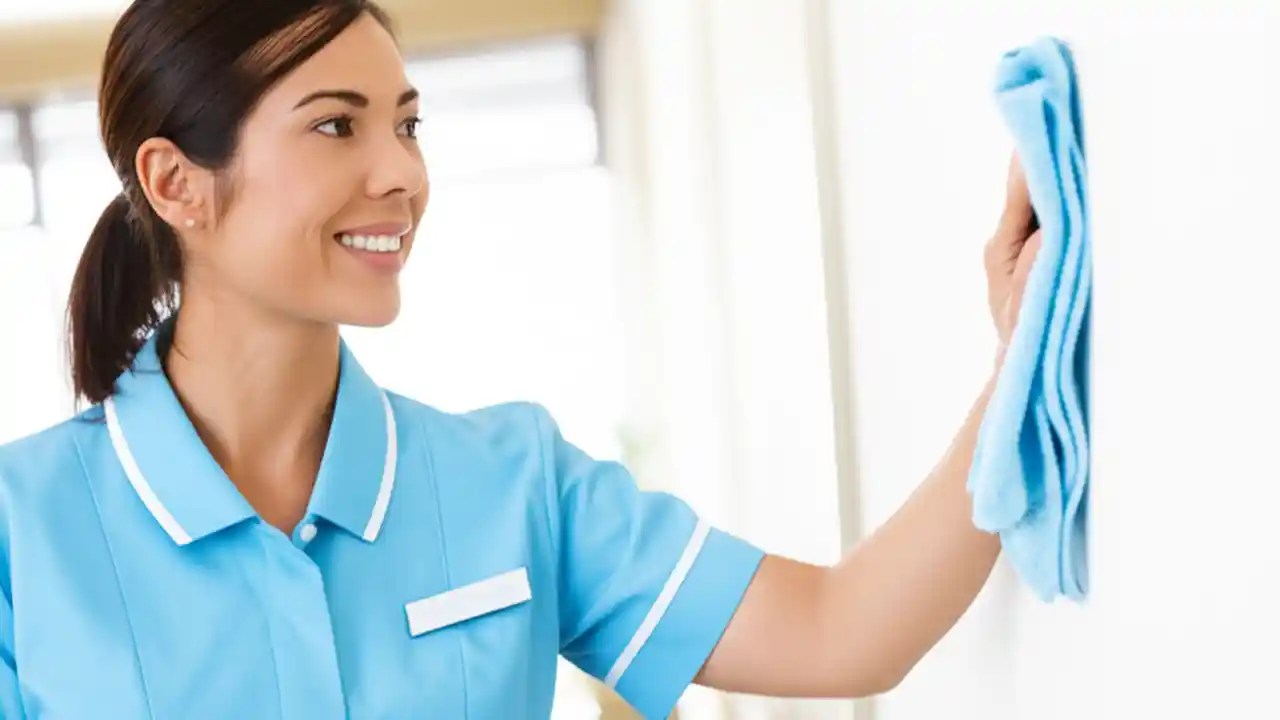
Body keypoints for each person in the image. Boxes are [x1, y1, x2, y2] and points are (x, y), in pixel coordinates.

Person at [0, 1, 1042, 718]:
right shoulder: (19, 530)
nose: (399, 174)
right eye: (336, 126)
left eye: (407, 126)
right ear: (178, 185)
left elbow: (838, 633)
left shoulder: (514, 483)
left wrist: (1015, 365)